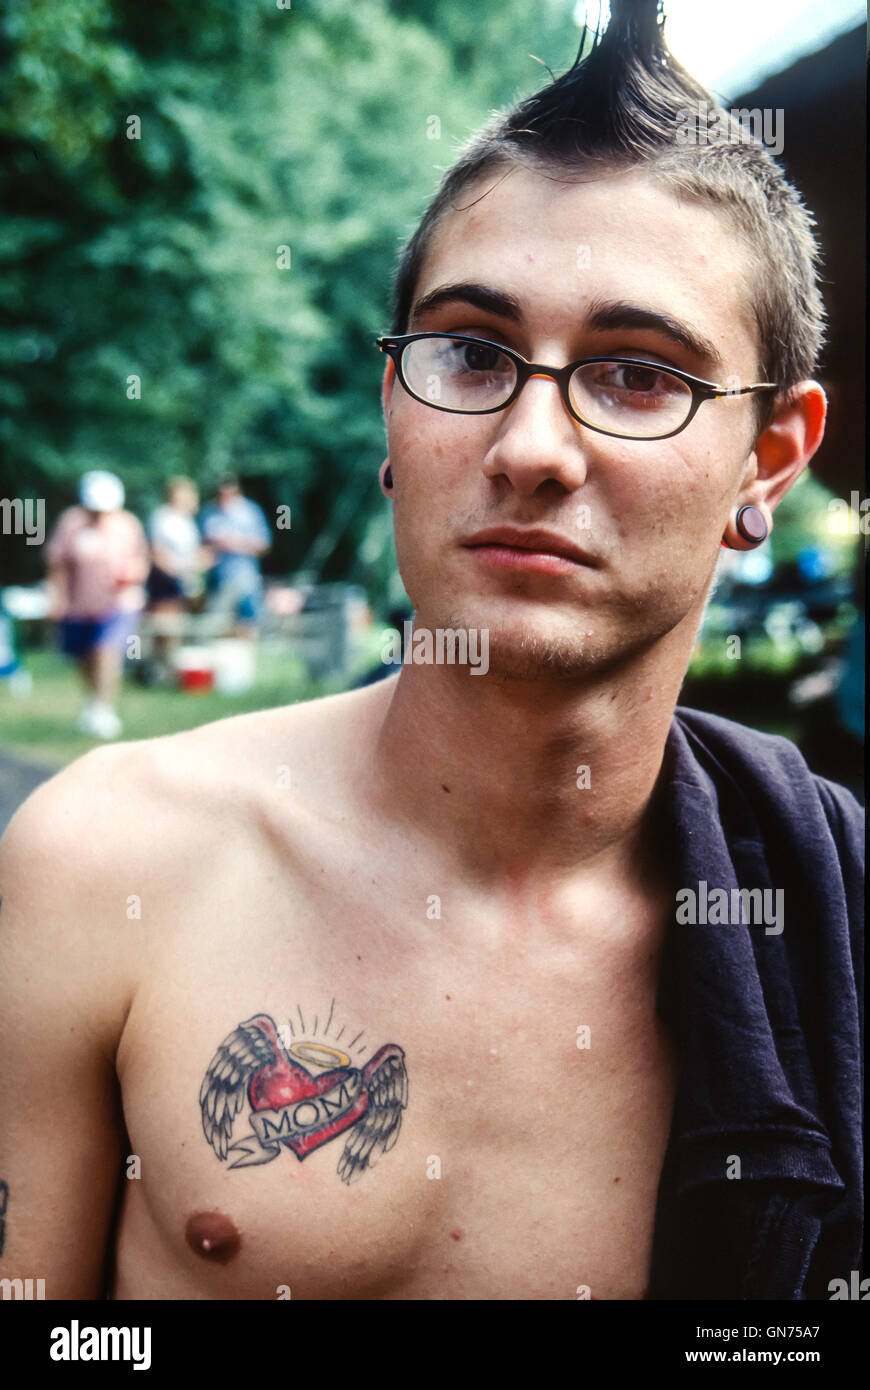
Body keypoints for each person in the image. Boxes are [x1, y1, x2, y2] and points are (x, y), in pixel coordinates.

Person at [0, 2, 861, 1302]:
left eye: (637, 373)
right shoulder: (106, 864)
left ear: (772, 456)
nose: (528, 445)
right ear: (393, 404)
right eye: (471, 351)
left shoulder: (834, 904)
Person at [44, 470, 149, 739]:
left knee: (106, 650)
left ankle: (105, 709)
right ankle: (91, 701)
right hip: (80, 603)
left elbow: (141, 561)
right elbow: (58, 564)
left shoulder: (128, 525)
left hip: (119, 603)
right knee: (84, 656)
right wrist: (57, 598)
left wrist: (132, 574)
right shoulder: (70, 523)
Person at [145, 477, 209, 681]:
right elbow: (158, 553)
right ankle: (158, 670)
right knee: (164, 627)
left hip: (184, 580)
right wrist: (178, 573)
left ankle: (171, 670)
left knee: (177, 627)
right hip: (166, 581)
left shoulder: (187, 521)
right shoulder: (163, 518)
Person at [200, 475, 271, 638]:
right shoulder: (209, 512)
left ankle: (247, 659)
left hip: (246, 577)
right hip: (218, 578)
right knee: (218, 623)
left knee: (248, 622)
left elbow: (263, 544)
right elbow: (203, 545)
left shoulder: (250, 511)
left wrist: (236, 543)